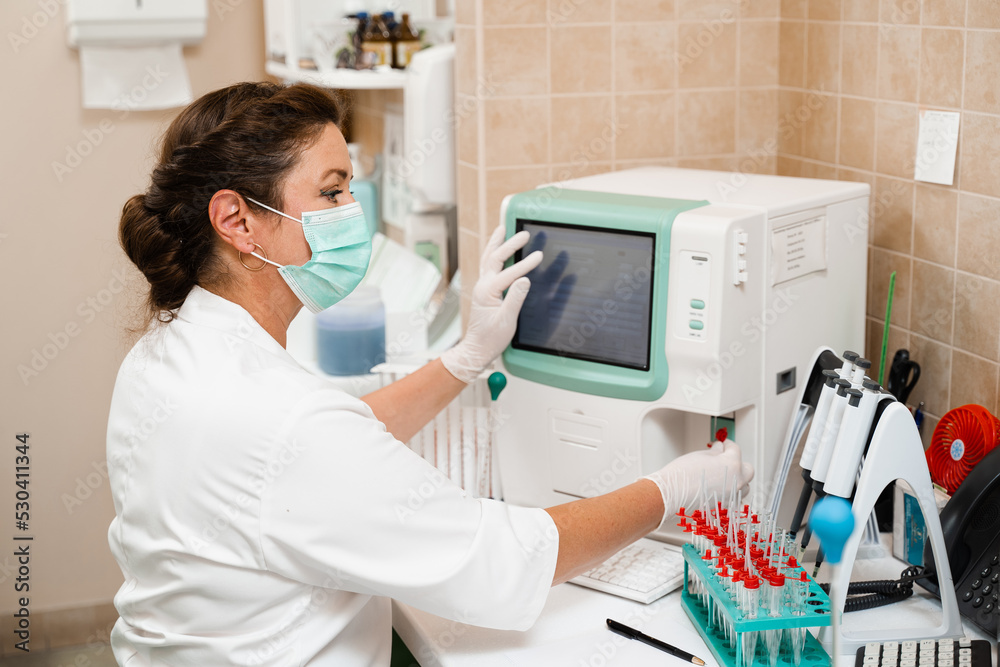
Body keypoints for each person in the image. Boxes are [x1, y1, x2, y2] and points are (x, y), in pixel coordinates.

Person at [107, 81, 753, 666]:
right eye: (331, 191)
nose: (350, 213)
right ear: (237, 221)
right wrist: (674, 487)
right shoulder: (285, 422)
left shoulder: (164, 356)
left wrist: (465, 357)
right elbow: (506, 560)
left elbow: (335, 439)